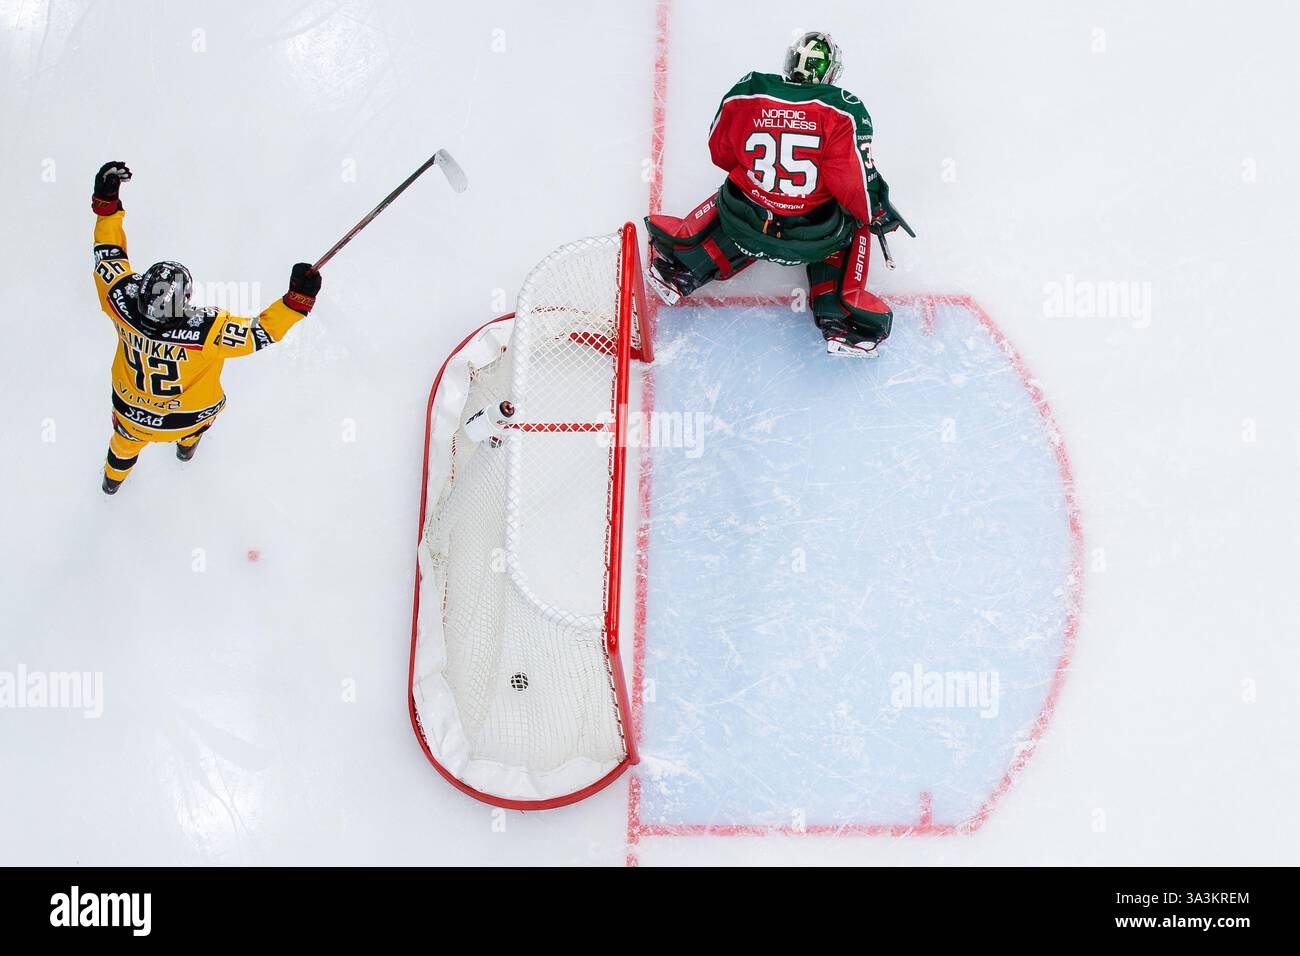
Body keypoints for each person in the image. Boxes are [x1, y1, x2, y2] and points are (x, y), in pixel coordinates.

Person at [645, 31, 911, 358]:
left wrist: (764, 186)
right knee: (858, 216)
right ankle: (839, 318)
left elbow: (721, 153)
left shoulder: (749, 90)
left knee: (738, 193)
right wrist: (879, 212)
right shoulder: (843, 109)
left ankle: (683, 269)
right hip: (811, 241)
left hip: (746, 227)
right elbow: (855, 186)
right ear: (831, 72)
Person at [90, 161, 321, 494]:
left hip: (132, 415)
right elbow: (261, 333)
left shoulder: (119, 300)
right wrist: (297, 300)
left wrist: (106, 203)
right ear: (184, 302)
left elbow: (108, 254)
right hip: (189, 415)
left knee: (122, 449)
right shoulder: (205, 330)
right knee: (194, 428)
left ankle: (111, 484)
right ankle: (186, 450)